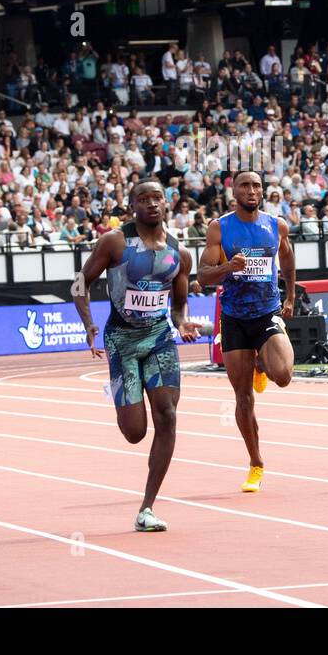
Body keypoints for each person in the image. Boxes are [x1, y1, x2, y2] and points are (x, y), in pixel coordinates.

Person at [74, 178, 201, 531]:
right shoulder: (114, 242)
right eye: (143, 199)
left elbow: (178, 305)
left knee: (168, 415)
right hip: (121, 341)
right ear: (133, 206)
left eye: (157, 197)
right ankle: (118, 390)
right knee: (135, 432)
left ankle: (147, 508)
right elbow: (79, 283)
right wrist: (88, 324)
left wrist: (183, 324)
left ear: (167, 203)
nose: (151, 204)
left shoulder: (179, 252)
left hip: (159, 338)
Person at [197, 171, 296, 492]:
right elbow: (202, 276)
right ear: (234, 192)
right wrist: (228, 268)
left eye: (256, 186)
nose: (251, 191)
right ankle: (256, 462)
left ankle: (261, 363)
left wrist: (291, 295)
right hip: (235, 318)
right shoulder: (219, 228)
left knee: (283, 375)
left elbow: (288, 256)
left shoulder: (275, 225)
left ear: (262, 191)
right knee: (243, 397)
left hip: (266, 311)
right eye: (245, 186)